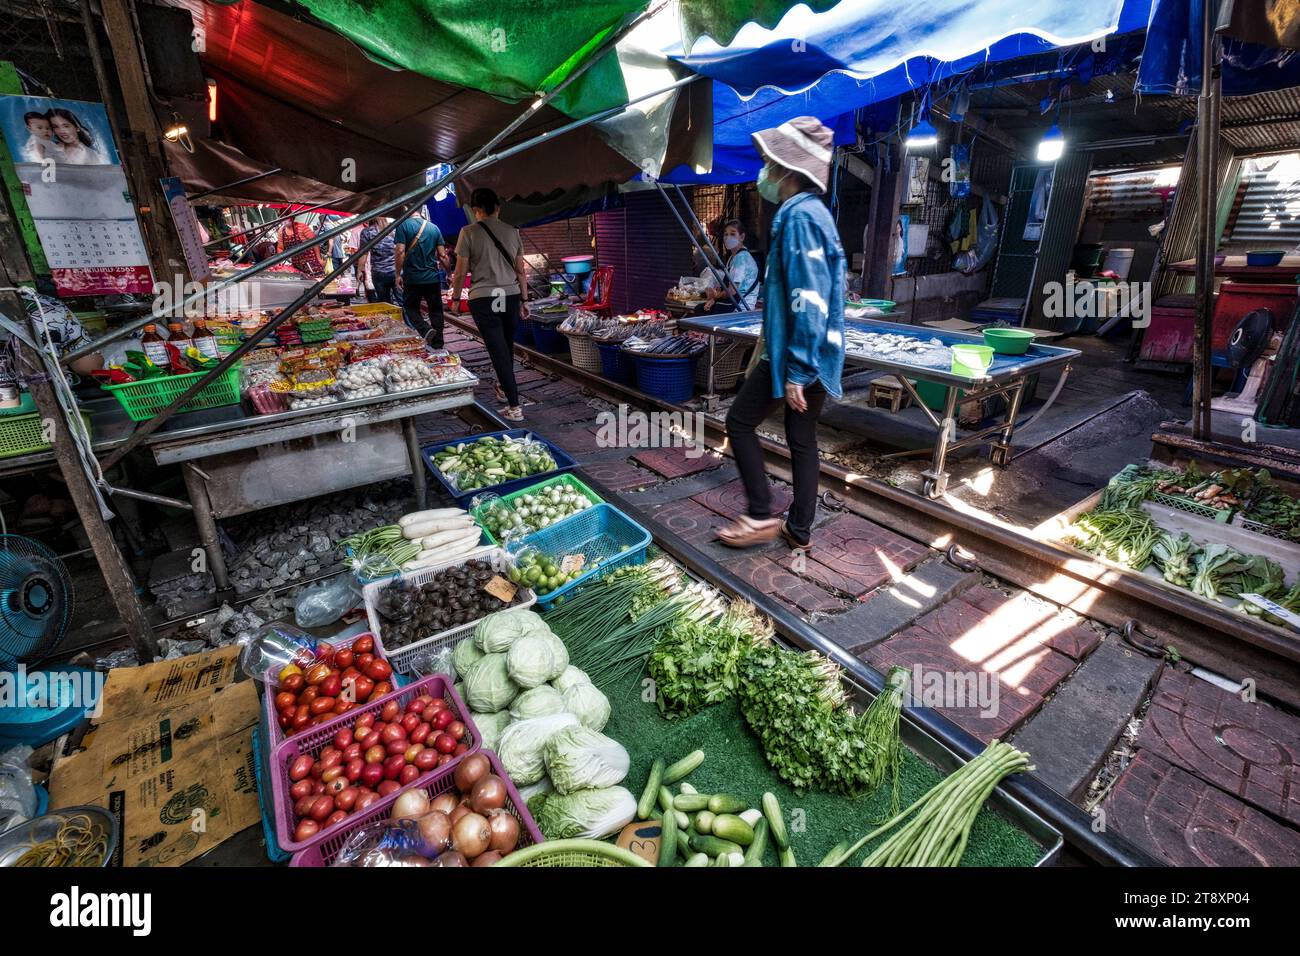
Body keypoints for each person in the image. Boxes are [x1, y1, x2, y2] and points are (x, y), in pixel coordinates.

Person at [717, 116, 845, 552]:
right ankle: (799, 530)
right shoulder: (814, 214)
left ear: (789, 170)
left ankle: (759, 516)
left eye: (770, 164)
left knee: (739, 422)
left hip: (795, 354)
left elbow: (809, 297)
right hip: (809, 352)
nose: (765, 173)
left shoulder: (800, 217)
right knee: (801, 439)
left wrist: (796, 371)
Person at [448, 187, 527, 422]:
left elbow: (460, 272)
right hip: (509, 295)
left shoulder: (468, 232)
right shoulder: (512, 231)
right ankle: (505, 391)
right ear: (498, 208)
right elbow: (521, 271)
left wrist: (454, 298)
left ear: (476, 210)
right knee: (506, 345)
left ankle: (515, 406)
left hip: (485, 297)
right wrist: (524, 299)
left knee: (497, 350)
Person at [394, 207, 449, 347]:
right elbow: (443, 256)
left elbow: (400, 251)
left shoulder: (403, 226)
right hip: (433, 277)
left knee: (410, 308)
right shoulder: (434, 228)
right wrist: (448, 273)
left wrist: (397, 274)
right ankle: (438, 342)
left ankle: (425, 330)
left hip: (413, 278)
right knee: (436, 310)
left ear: (407, 210)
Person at [703, 219, 760, 312]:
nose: (728, 237)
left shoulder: (741, 258)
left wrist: (715, 296)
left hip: (739, 308)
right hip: (734, 304)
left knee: (700, 310)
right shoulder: (733, 257)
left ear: (742, 237)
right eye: (726, 234)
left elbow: (732, 291)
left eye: (732, 234)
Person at [358, 217, 398, 304]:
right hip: (396, 271)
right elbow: (401, 250)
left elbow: (363, 254)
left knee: (384, 303)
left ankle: (389, 317)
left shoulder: (367, 232)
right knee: (403, 301)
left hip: (379, 273)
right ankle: (406, 317)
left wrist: (359, 271)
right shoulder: (394, 229)